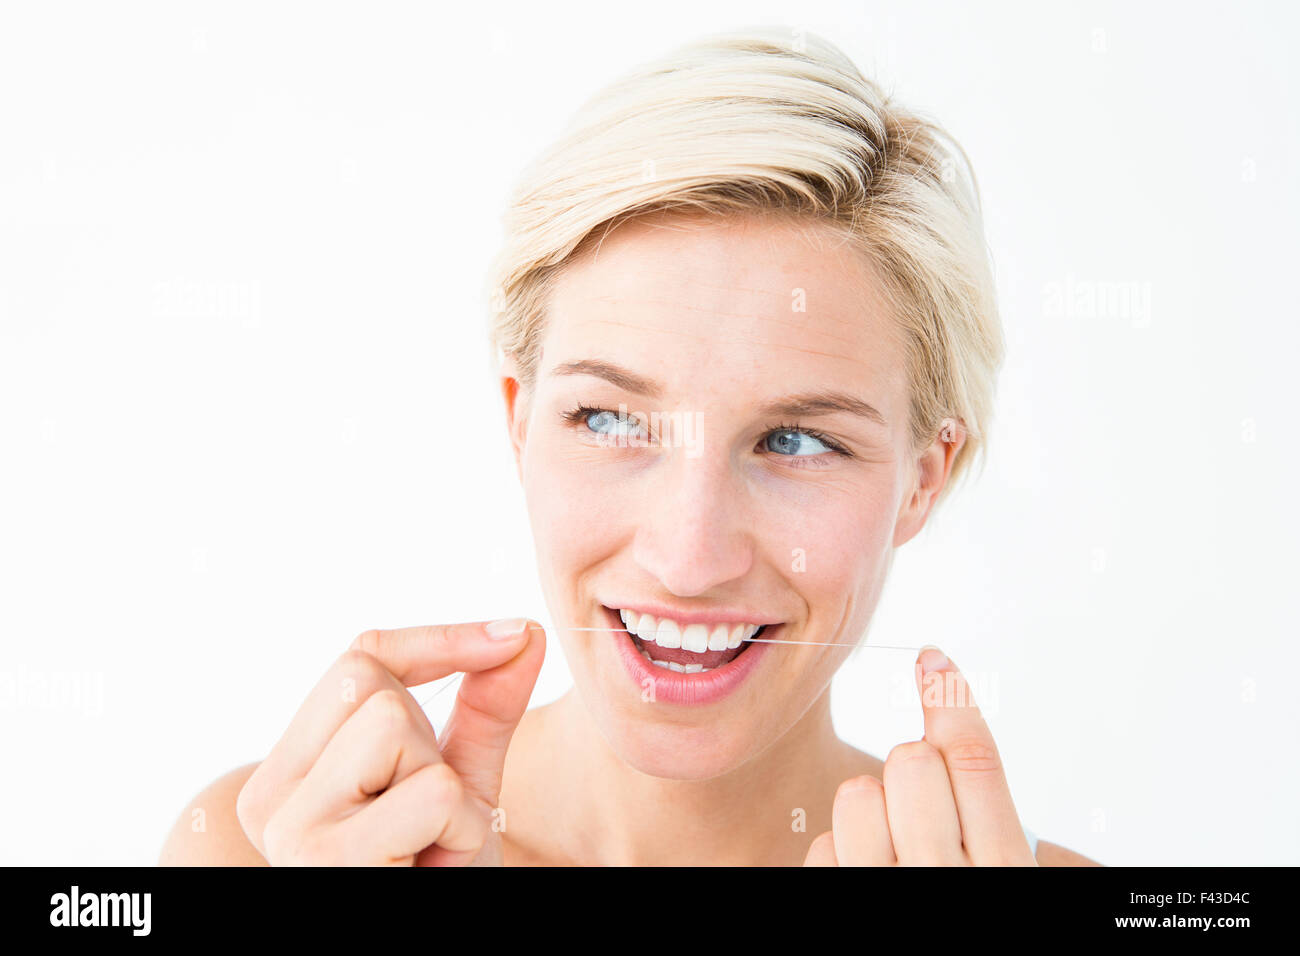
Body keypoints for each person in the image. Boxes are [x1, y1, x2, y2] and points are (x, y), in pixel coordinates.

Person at [161, 27, 1098, 866]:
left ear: (922, 480)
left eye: (797, 439)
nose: (688, 560)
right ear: (519, 423)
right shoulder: (271, 848)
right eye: (608, 421)